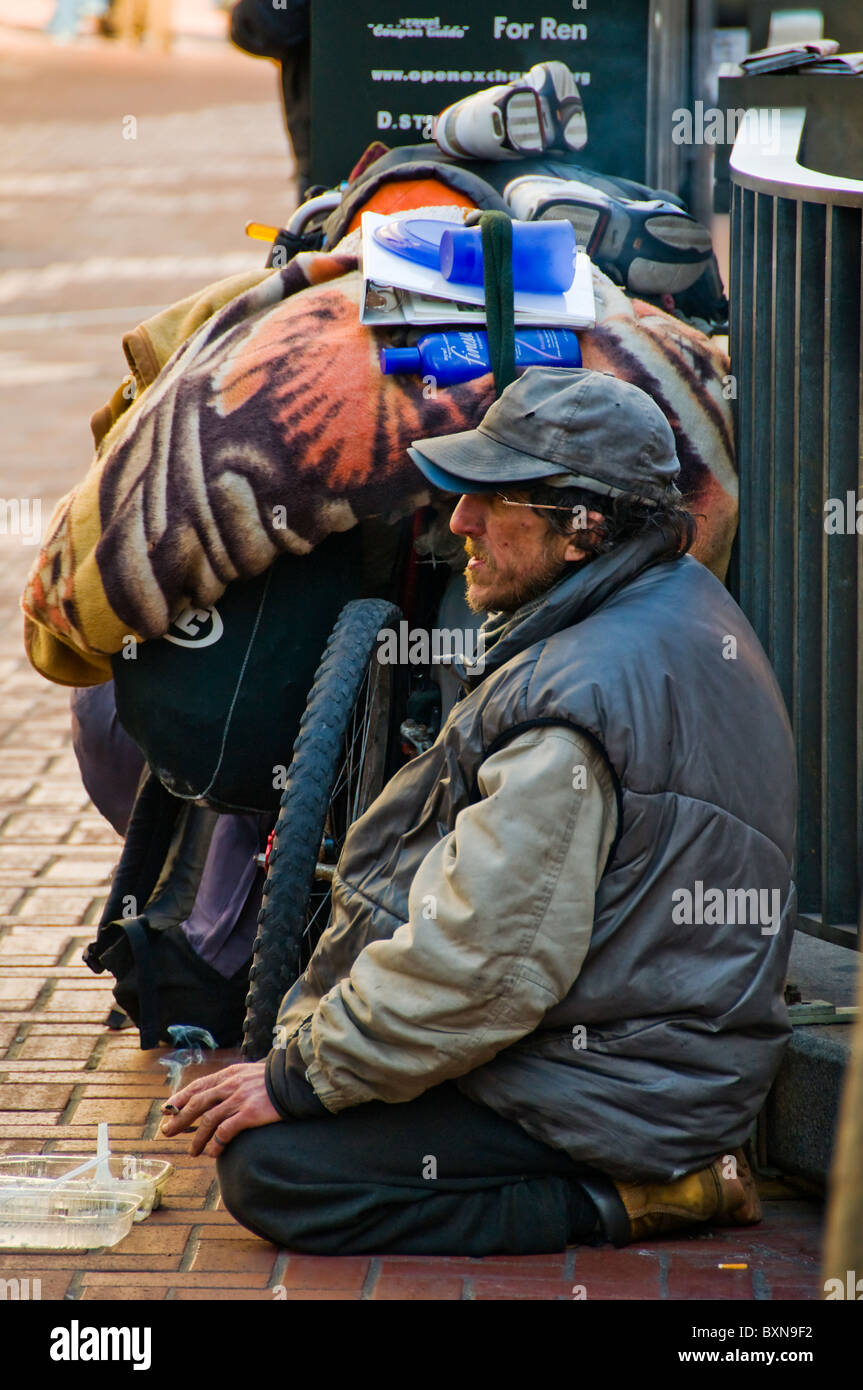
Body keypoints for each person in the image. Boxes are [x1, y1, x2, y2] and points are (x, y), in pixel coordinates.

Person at [160, 367, 796, 1256]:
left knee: (276, 1169)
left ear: (583, 529)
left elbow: (485, 969)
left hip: (629, 1087)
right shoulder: (671, 602)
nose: (458, 522)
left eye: (492, 501)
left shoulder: (578, 703)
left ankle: (651, 1196)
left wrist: (302, 1078)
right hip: (644, 1048)